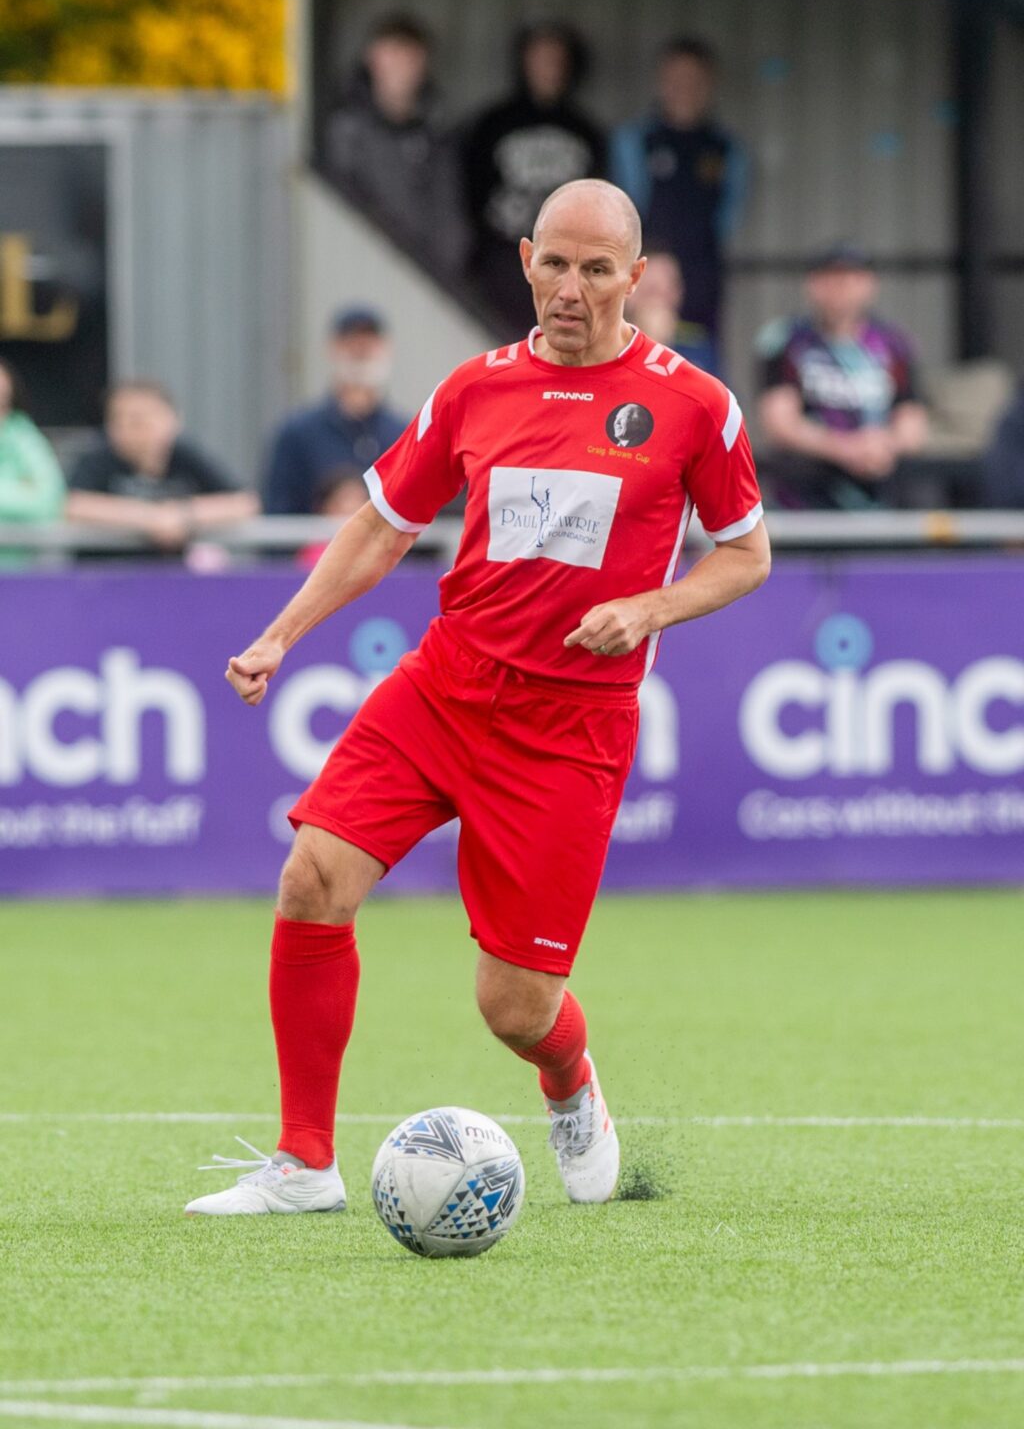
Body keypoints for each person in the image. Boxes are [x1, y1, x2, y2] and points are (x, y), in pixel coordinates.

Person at [186, 178, 769, 1218]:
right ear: (524, 261)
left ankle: (569, 1082)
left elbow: (746, 556)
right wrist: (281, 632)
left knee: (513, 1006)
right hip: (445, 687)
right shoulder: (473, 388)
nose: (572, 289)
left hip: (570, 727)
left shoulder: (694, 404)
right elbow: (378, 527)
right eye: (555, 263)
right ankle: (303, 1163)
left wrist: (650, 608)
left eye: (597, 270)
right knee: (312, 875)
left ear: (634, 278)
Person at [756, 244, 929, 510]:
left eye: (851, 277)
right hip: (804, 500)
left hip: (881, 499)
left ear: (870, 284)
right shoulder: (786, 340)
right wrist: (845, 449)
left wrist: (882, 445)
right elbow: (779, 422)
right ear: (812, 284)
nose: (841, 287)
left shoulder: (895, 344)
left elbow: (913, 423)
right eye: (831, 278)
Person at [463, 22, 605, 335]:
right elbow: (470, 194)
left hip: (564, 270)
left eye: (556, 60)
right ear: (524, 62)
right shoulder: (491, 125)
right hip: (501, 263)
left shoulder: (587, 133)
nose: (548, 68)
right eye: (540, 58)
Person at [610, 37, 746, 356]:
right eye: (676, 79)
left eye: (694, 80)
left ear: (709, 84)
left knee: (700, 374)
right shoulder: (636, 141)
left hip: (702, 282)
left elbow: (727, 219)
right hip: (646, 282)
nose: (685, 88)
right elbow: (625, 215)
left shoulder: (726, 148)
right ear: (662, 82)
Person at [324, 14, 465, 274]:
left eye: (411, 56)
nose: (402, 66)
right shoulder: (346, 131)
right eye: (393, 53)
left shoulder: (438, 134)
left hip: (430, 281)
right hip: (364, 270)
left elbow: (450, 218)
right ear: (372, 58)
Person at [65, 381, 258, 553]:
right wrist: (148, 518)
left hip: (172, 579)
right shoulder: (97, 456)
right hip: (108, 577)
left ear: (171, 419)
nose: (126, 429)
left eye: (137, 420)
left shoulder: (186, 454)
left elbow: (243, 502)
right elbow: (75, 504)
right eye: (117, 420)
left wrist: (183, 515)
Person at [263, 309, 407, 516]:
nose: (360, 350)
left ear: (386, 349)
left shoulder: (402, 433)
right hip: (319, 548)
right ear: (332, 348)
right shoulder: (297, 434)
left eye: (368, 342)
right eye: (351, 341)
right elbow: (278, 513)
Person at [0, 359, 65, 561]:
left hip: (18, 576)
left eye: (3, 402)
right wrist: (18, 488)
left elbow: (49, 502)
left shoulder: (24, 437)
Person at [625, 246, 722, 377]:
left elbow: (718, 393)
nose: (659, 303)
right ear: (628, 292)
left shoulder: (696, 344)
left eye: (667, 290)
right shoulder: (607, 345)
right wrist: (651, 341)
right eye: (651, 291)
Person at [296, 470, 369, 569]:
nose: (354, 506)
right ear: (328, 506)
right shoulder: (314, 554)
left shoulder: (380, 549)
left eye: (361, 499)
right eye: (346, 499)